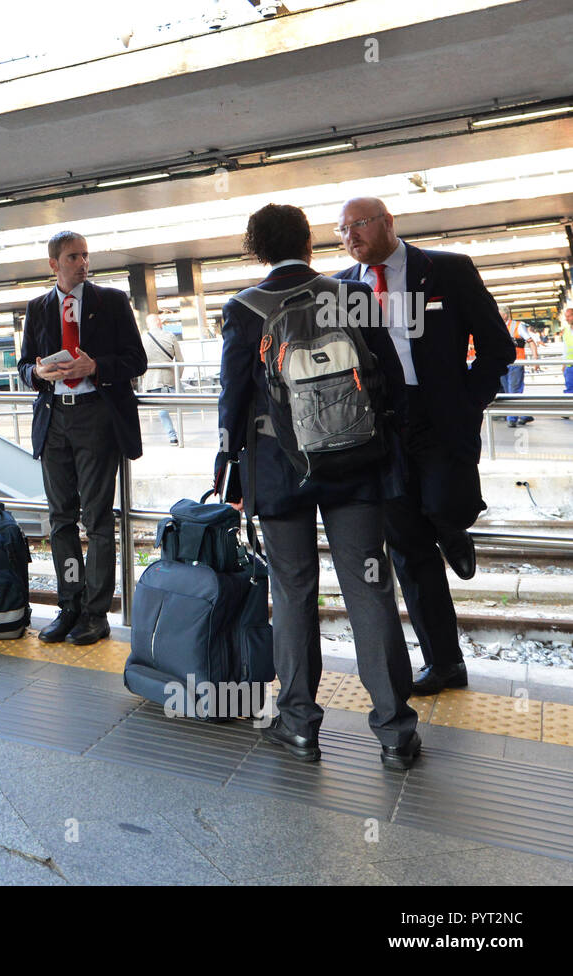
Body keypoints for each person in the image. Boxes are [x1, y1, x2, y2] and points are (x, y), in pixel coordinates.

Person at [215, 203, 419, 768]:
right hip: (354, 464)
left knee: (294, 592)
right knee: (369, 589)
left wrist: (228, 469)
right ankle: (395, 732)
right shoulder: (350, 295)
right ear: (308, 243)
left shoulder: (245, 307)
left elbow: (233, 401)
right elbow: (390, 383)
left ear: (257, 249)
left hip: (281, 473)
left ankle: (300, 725)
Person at [334, 196, 514, 695]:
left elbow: (499, 347)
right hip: (382, 430)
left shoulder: (446, 271)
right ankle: (445, 663)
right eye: (342, 229)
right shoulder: (345, 287)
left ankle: (453, 529)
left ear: (388, 222)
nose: (351, 236)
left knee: (443, 506)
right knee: (409, 553)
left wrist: (467, 401)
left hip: (438, 420)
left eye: (360, 225)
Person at [16, 230, 146, 646]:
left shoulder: (112, 302)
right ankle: (69, 605)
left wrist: (95, 366)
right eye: (73, 257)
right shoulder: (37, 309)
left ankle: (96, 612)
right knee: (60, 520)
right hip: (54, 419)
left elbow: (136, 361)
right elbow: (23, 366)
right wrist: (37, 373)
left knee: (98, 518)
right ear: (54, 264)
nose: (82, 263)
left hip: (96, 418)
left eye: (85, 256)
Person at [140, 313, 182, 445]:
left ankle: (172, 436)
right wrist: (177, 377)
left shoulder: (143, 339)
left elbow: (139, 361)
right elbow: (180, 360)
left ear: (148, 324)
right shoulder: (170, 336)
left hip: (152, 380)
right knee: (176, 406)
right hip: (170, 377)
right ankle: (174, 435)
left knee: (162, 408)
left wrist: (143, 377)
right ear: (160, 323)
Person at [499, 305, 539, 427]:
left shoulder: (518, 326)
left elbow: (530, 342)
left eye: (498, 313)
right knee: (507, 392)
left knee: (513, 391)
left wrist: (535, 359)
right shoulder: (497, 326)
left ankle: (511, 419)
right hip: (502, 364)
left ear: (505, 315)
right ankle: (525, 415)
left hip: (516, 363)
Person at [562, 306, 573, 396]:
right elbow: (565, 348)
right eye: (566, 316)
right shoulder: (566, 331)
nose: (566, 319)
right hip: (569, 366)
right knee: (570, 392)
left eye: (569, 316)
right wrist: (564, 364)